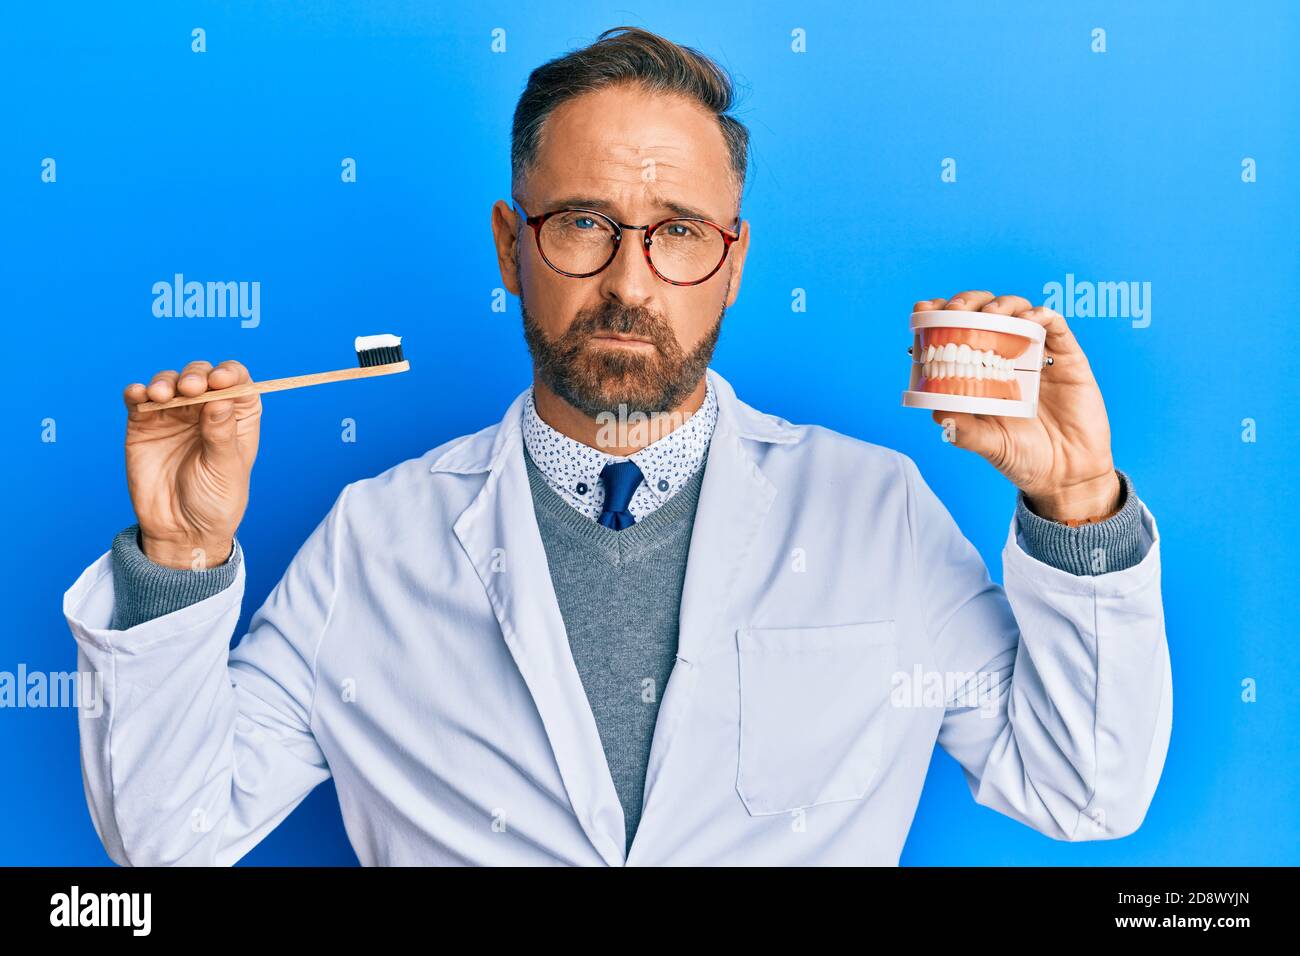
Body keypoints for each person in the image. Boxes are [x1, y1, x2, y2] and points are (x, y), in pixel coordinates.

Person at [63, 26, 1170, 866]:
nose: (631, 283)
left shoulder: (873, 511)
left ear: (733, 261)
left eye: (678, 232)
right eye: (584, 223)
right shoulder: (374, 542)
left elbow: (1084, 785)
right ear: (511, 243)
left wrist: (1076, 500)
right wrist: (178, 553)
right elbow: (169, 831)